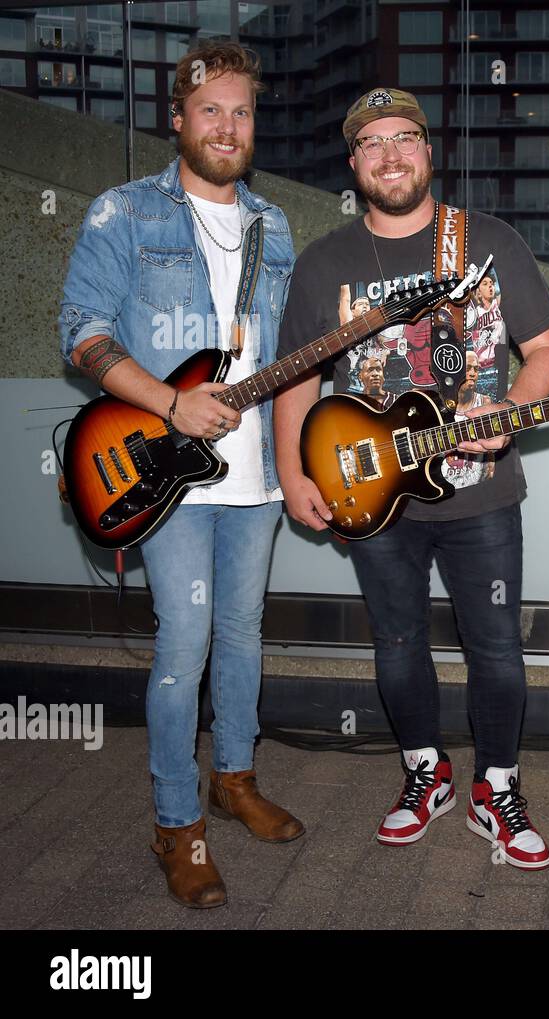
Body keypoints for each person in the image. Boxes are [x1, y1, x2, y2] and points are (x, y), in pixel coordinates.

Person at [273, 87, 549, 869]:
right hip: (371, 496)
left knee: (497, 649)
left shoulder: (488, 242)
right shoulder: (325, 261)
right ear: (353, 163)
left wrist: (511, 406)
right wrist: (291, 470)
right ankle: (424, 771)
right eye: (372, 144)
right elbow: (298, 381)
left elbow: (546, 351)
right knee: (397, 643)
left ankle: (494, 785)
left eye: (404, 138)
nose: (391, 155)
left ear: (430, 151)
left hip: (483, 494)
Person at [58, 41, 302, 908]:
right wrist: (169, 405)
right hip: (165, 480)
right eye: (211, 110)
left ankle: (233, 777)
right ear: (178, 116)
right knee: (183, 646)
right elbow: (83, 333)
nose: (227, 126)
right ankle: (176, 821)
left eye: (241, 111)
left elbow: (287, 364)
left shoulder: (276, 227)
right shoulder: (123, 213)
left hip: (254, 483)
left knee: (242, 638)